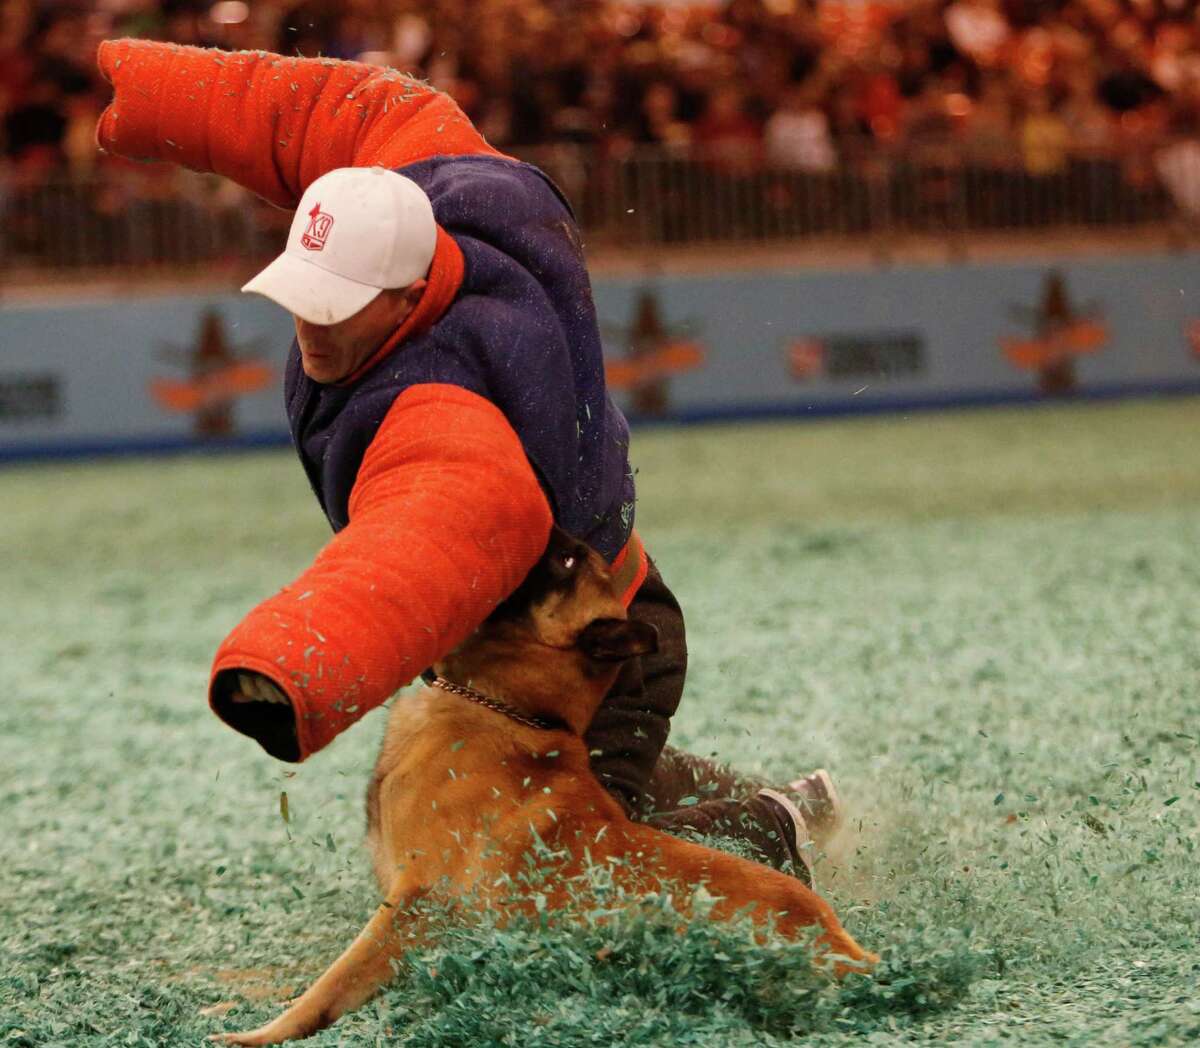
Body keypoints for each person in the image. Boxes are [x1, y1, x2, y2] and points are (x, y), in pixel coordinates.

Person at [94, 39, 841, 878]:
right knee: (587, 790)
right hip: (551, 618)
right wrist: (158, 92)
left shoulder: (452, 409)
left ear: (413, 297)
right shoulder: (467, 199)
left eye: (334, 308)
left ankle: (769, 829)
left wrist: (286, 667)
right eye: (301, 295)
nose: (309, 327)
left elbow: (411, 553)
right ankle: (786, 798)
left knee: (582, 864)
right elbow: (329, 114)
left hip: (589, 648)